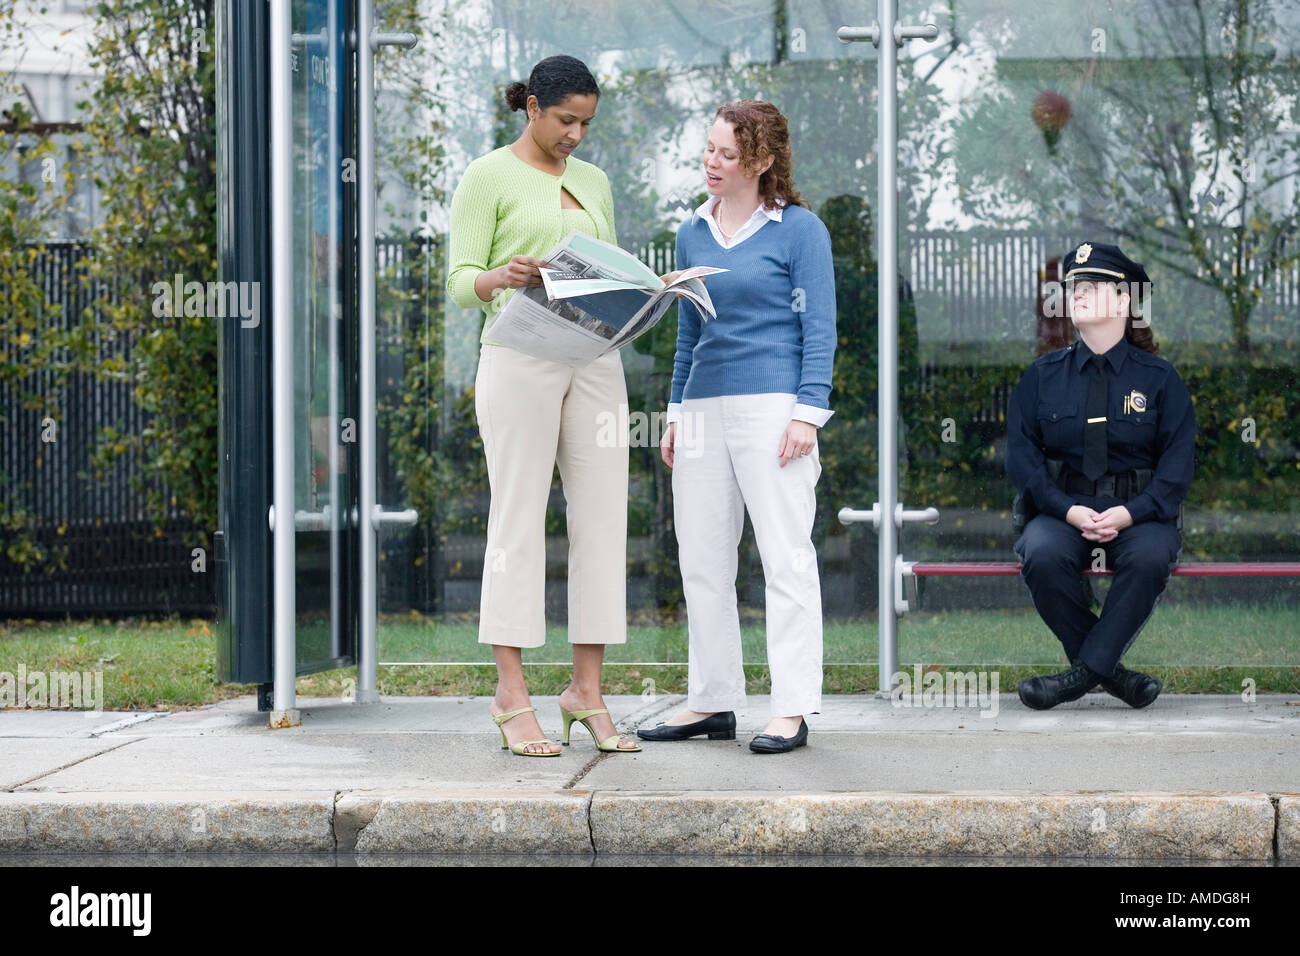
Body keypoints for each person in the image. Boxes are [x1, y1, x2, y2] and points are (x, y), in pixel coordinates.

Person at [446, 55, 640, 756]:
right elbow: (461, 280)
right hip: (518, 354)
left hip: (594, 357)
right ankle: (510, 694)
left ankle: (586, 691)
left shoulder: (594, 182)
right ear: (532, 107)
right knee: (517, 520)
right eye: (566, 121)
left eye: (587, 123)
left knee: (603, 521)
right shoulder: (487, 175)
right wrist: (503, 275)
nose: (577, 136)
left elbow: (608, 266)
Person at [637, 100, 836, 754]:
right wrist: (675, 412)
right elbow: (688, 330)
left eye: (727, 153)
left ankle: (792, 708)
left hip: (775, 407)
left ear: (762, 161)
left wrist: (809, 411)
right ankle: (712, 701)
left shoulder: (799, 230)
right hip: (701, 408)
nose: (712, 163)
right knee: (701, 560)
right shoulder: (692, 230)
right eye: (708, 150)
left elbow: (820, 328)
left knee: (784, 559)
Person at [1007, 241, 1195, 710]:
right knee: (1041, 551)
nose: (1080, 294)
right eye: (1075, 287)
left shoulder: (1159, 379)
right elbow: (1022, 460)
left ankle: (1076, 678)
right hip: (1064, 509)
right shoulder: (1042, 376)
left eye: (1094, 286)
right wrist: (1067, 510)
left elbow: (1177, 467)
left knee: (1152, 556)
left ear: (1124, 301)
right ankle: (1115, 677)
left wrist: (1132, 514)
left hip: (1139, 515)